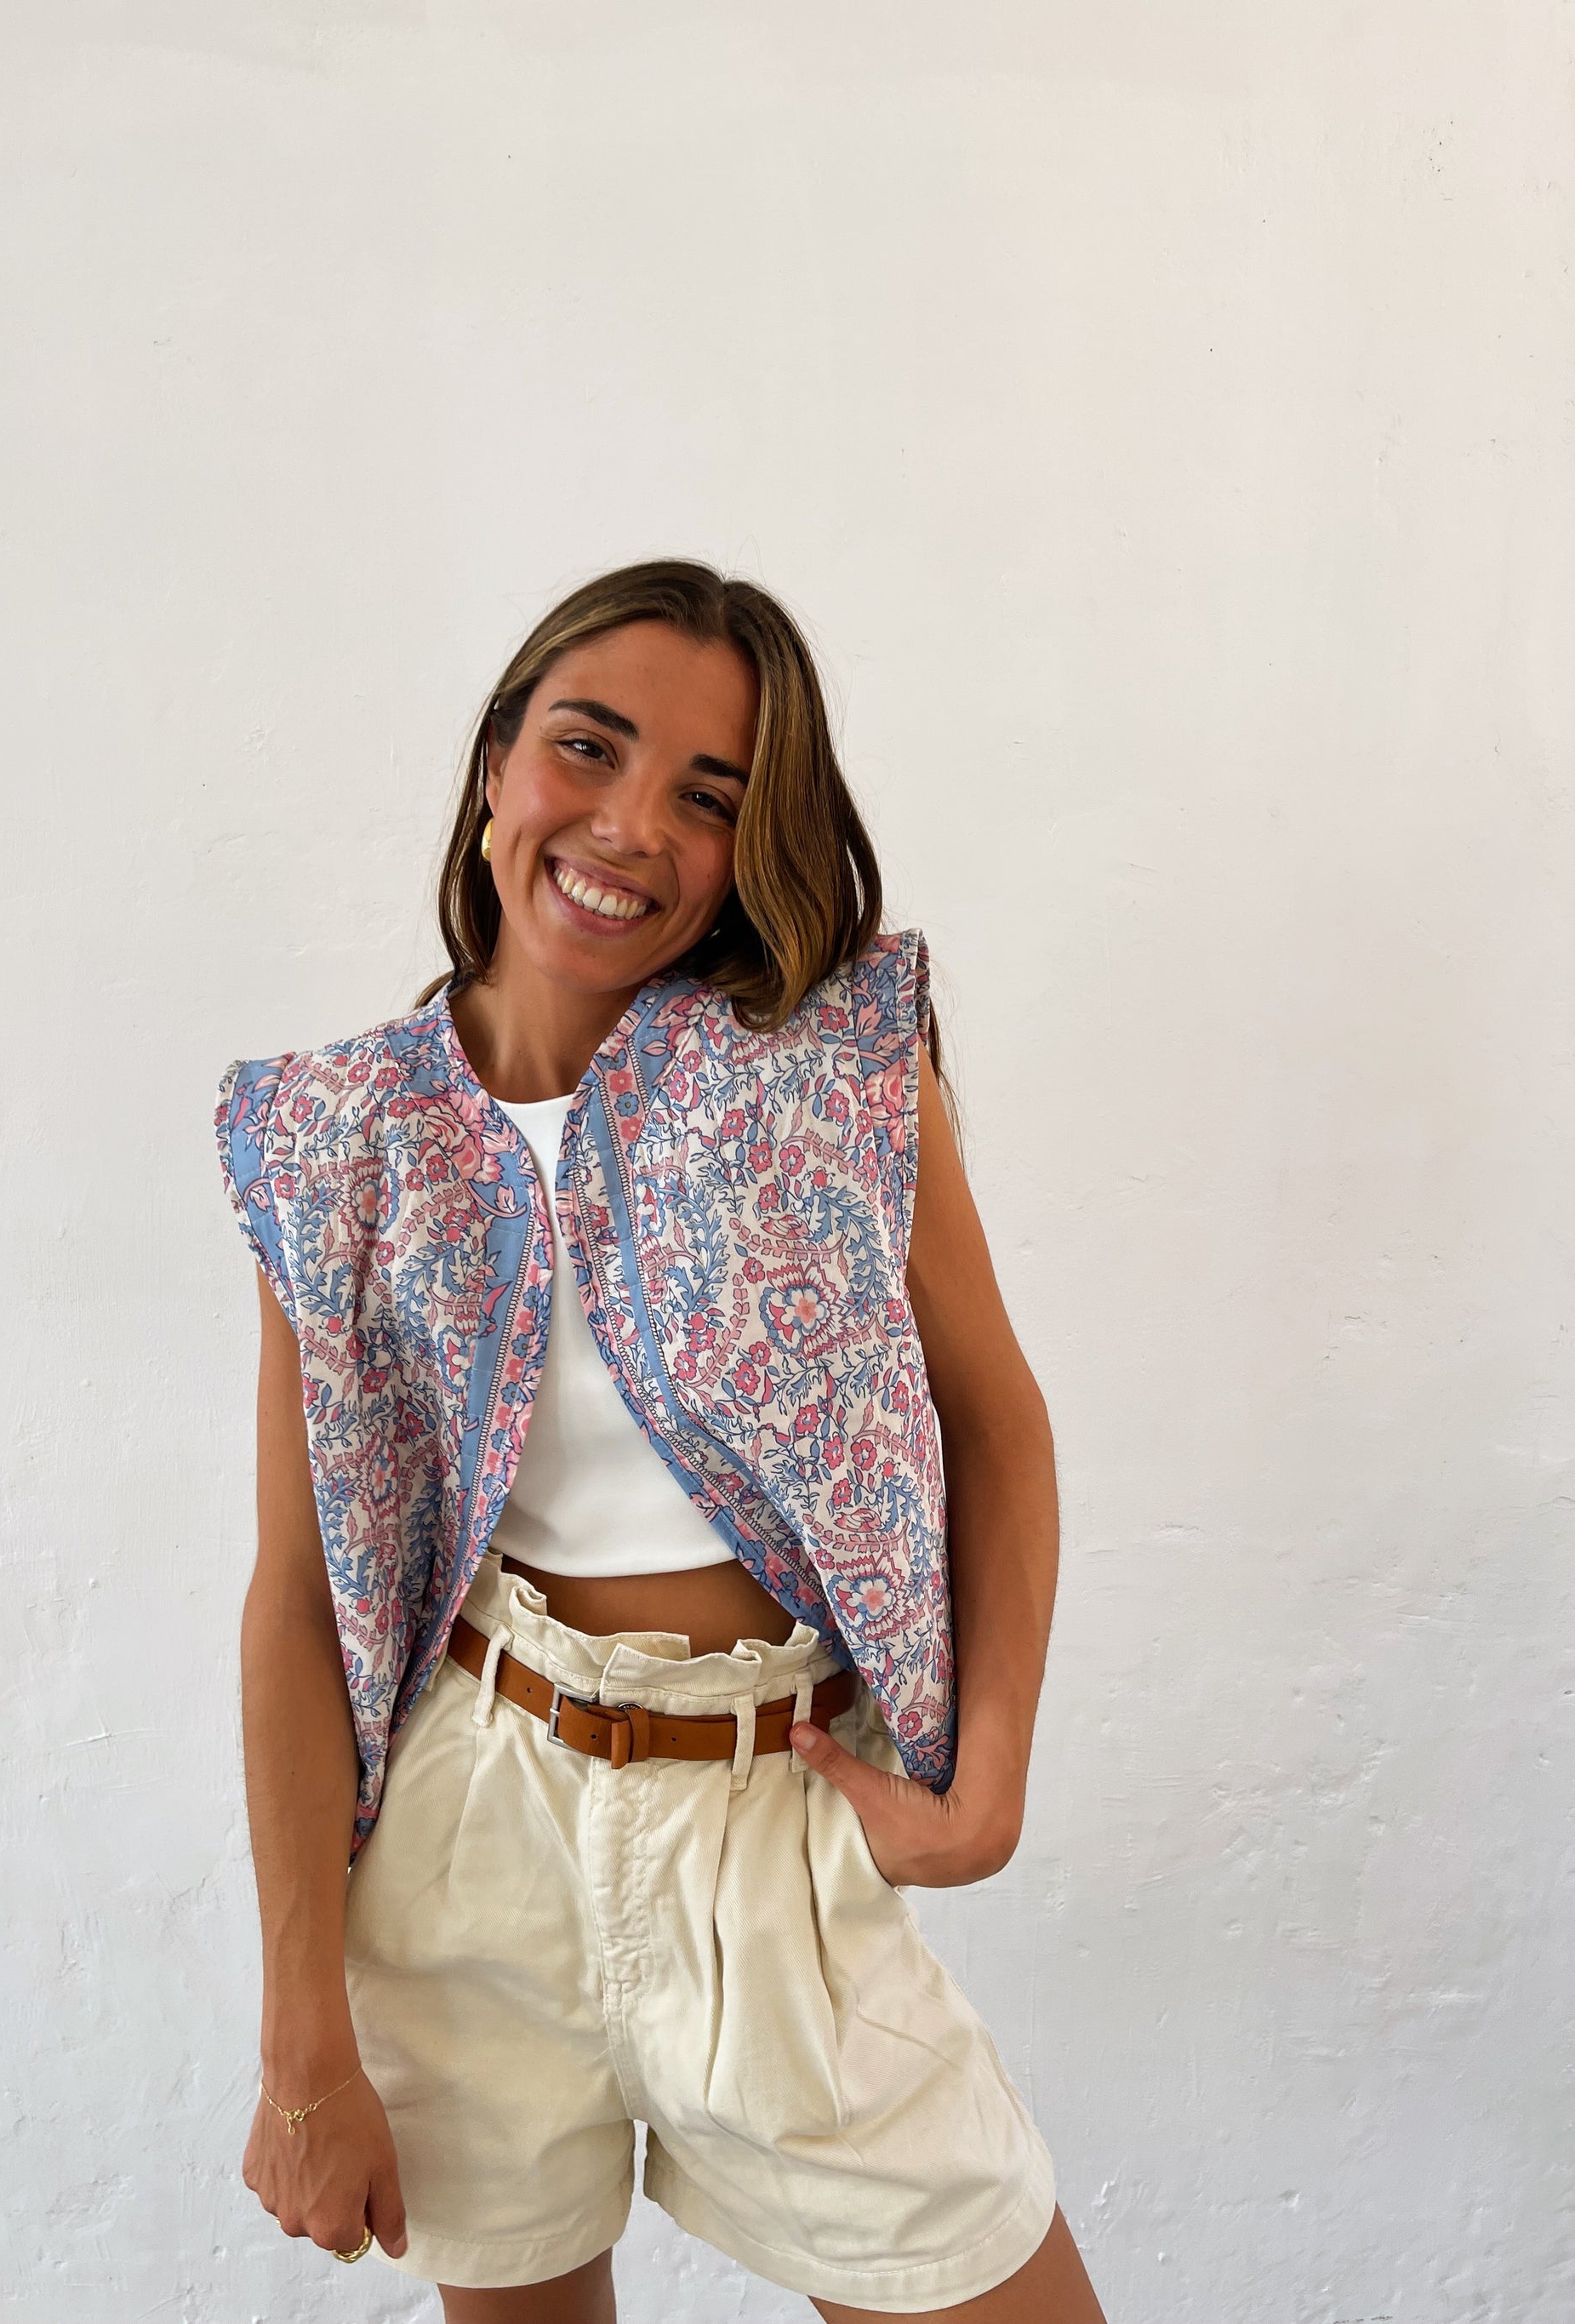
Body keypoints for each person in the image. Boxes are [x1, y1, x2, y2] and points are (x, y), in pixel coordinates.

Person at [215, 560, 1107, 2321]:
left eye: (710, 797)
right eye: (587, 748)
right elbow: (301, 1600)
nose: (630, 825)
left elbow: (993, 1415)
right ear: (494, 768)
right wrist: (302, 2042)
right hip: (471, 1836)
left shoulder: (834, 1058)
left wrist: (990, 1770)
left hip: (772, 1818)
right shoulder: (331, 1139)